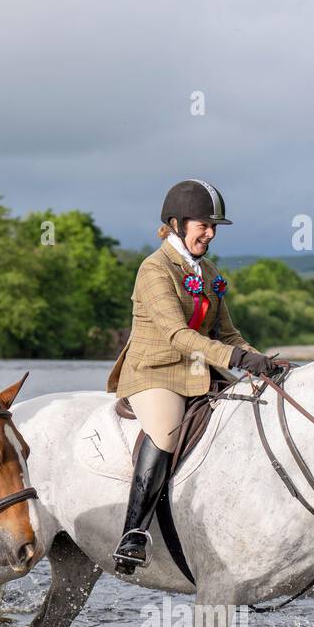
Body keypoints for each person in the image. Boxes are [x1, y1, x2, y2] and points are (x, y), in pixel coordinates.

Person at [105, 179, 279, 571]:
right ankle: (133, 534)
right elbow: (178, 336)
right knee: (166, 430)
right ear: (176, 223)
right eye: (204, 225)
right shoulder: (154, 269)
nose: (211, 233)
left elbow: (227, 333)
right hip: (156, 370)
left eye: (214, 226)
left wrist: (259, 360)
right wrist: (234, 358)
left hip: (199, 368)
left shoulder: (208, 271)